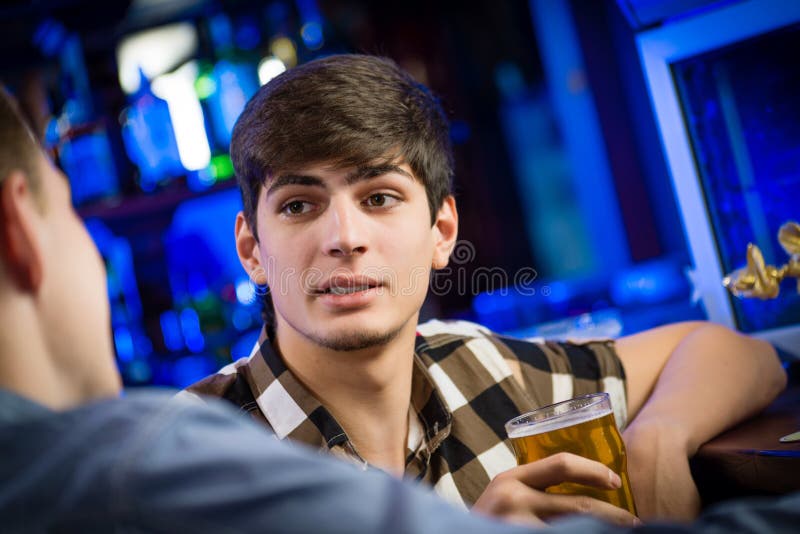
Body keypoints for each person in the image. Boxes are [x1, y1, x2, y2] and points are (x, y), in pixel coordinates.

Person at [2, 79, 799, 534]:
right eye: (301, 207)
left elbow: (736, 351)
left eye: (380, 197)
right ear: (251, 249)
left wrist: (657, 439)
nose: (344, 238)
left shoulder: (477, 364)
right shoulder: (191, 451)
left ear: (440, 230)